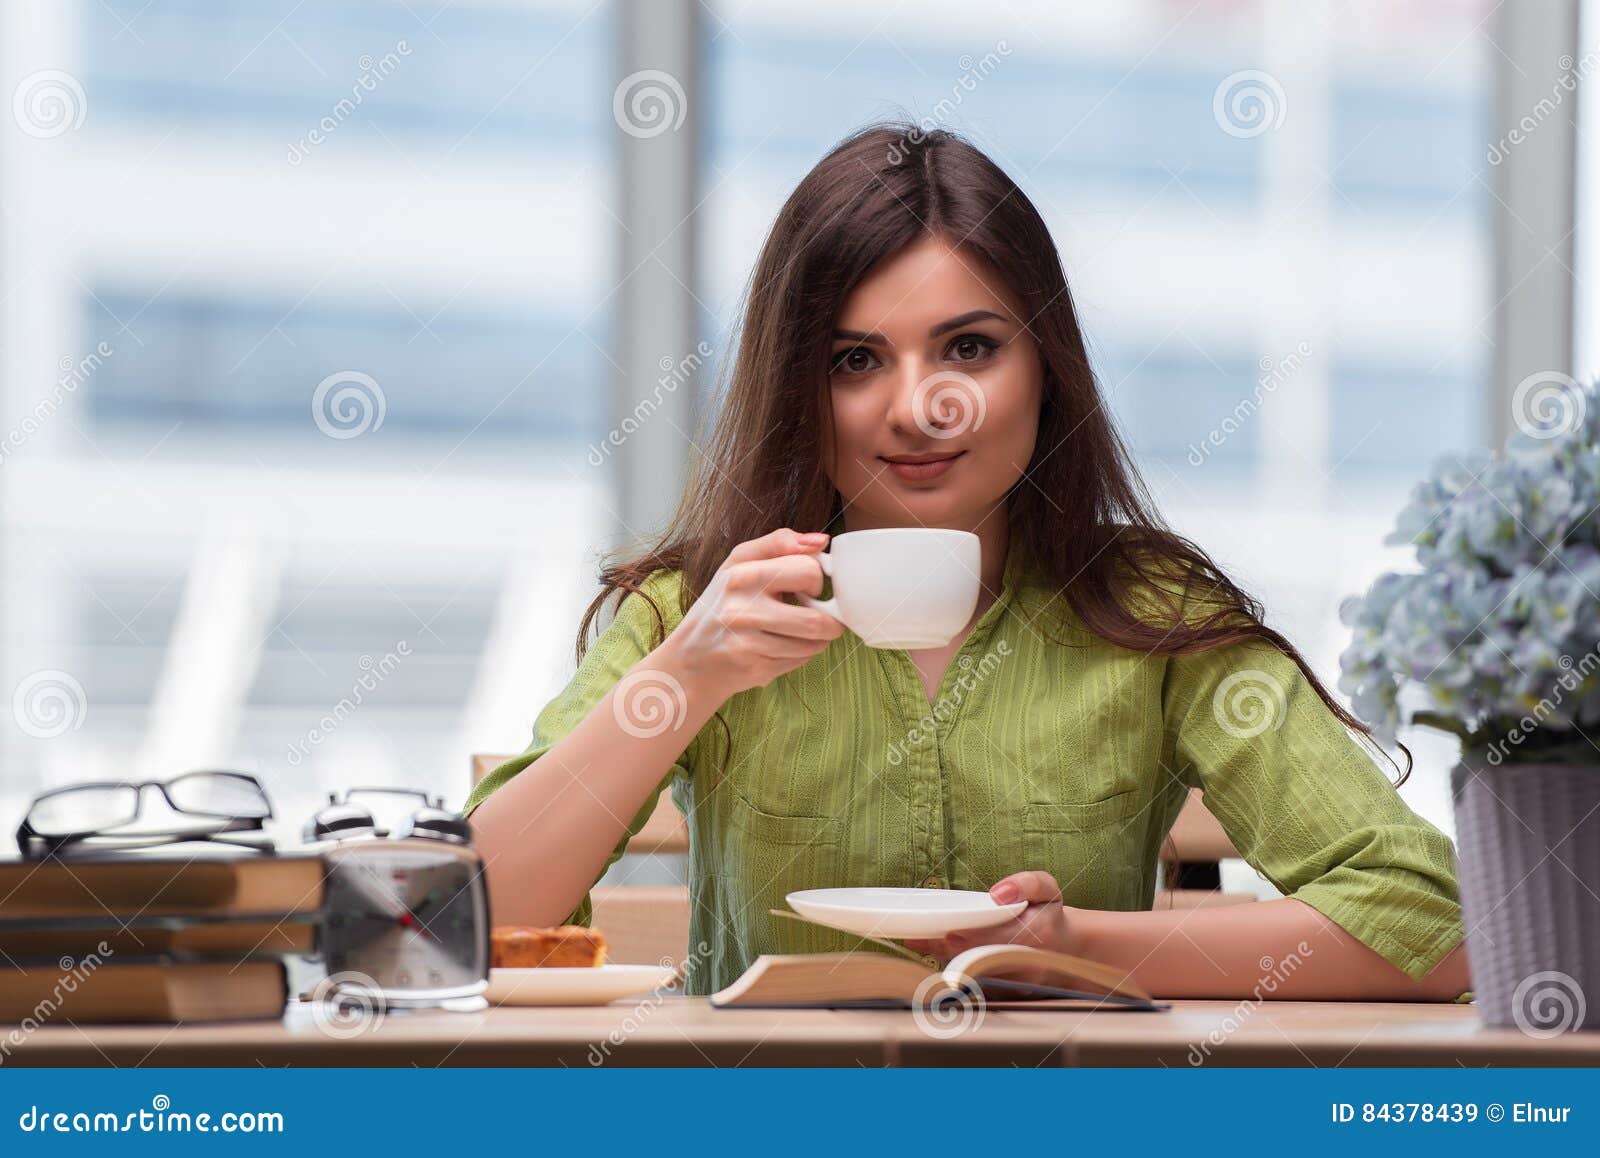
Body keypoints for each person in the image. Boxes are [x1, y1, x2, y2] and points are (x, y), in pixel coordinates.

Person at [465, 123, 1468, 1001]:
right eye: (855, 361)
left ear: (1045, 369)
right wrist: (684, 677)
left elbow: (1438, 930)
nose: (917, 408)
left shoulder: (1150, 613)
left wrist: (1076, 948)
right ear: (796, 389)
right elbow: (452, 925)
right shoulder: (699, 611)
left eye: (970, 348)